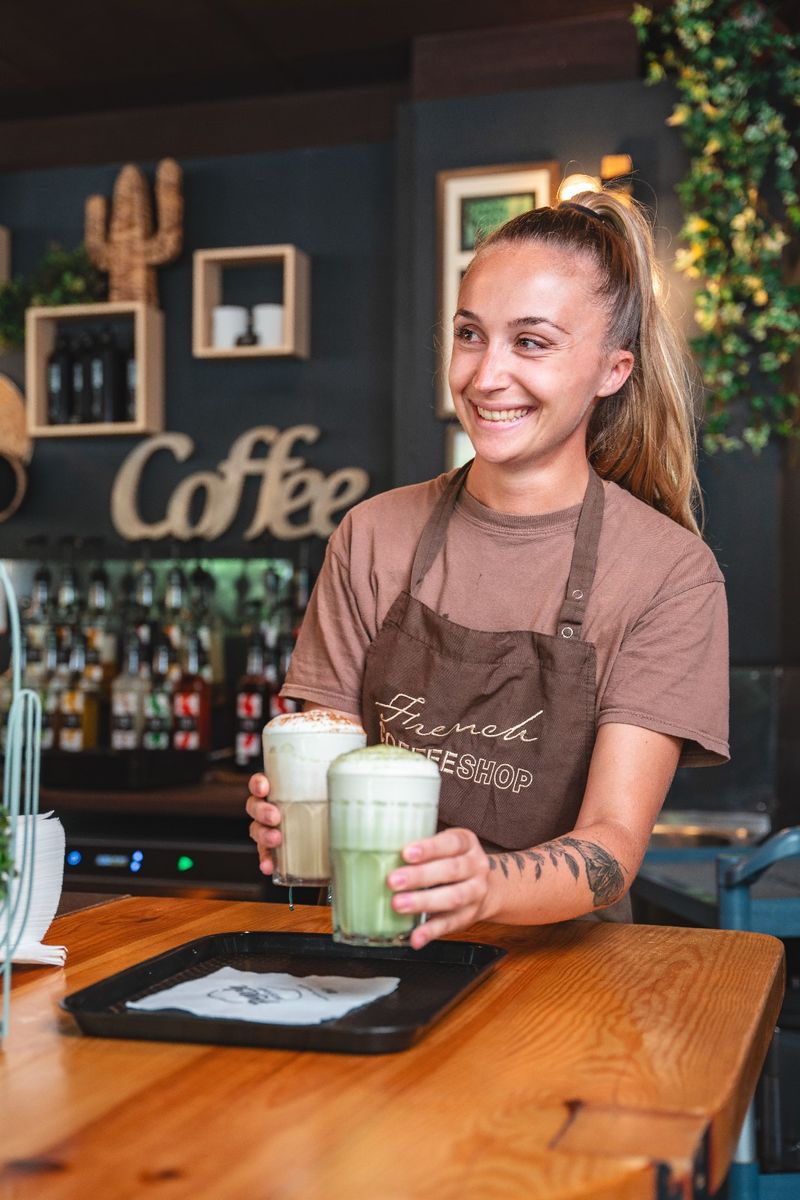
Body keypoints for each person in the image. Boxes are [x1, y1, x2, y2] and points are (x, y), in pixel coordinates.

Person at [246, 190, 729, 947]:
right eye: (471, 335)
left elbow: (612, 846)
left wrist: (486, 886)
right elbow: (321, 750)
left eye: (531, 343)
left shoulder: (669, 573)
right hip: (375, 954)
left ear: (612, 369)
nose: (485, 375)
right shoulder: (372, 535)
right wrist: (292, 817)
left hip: (560, 987)